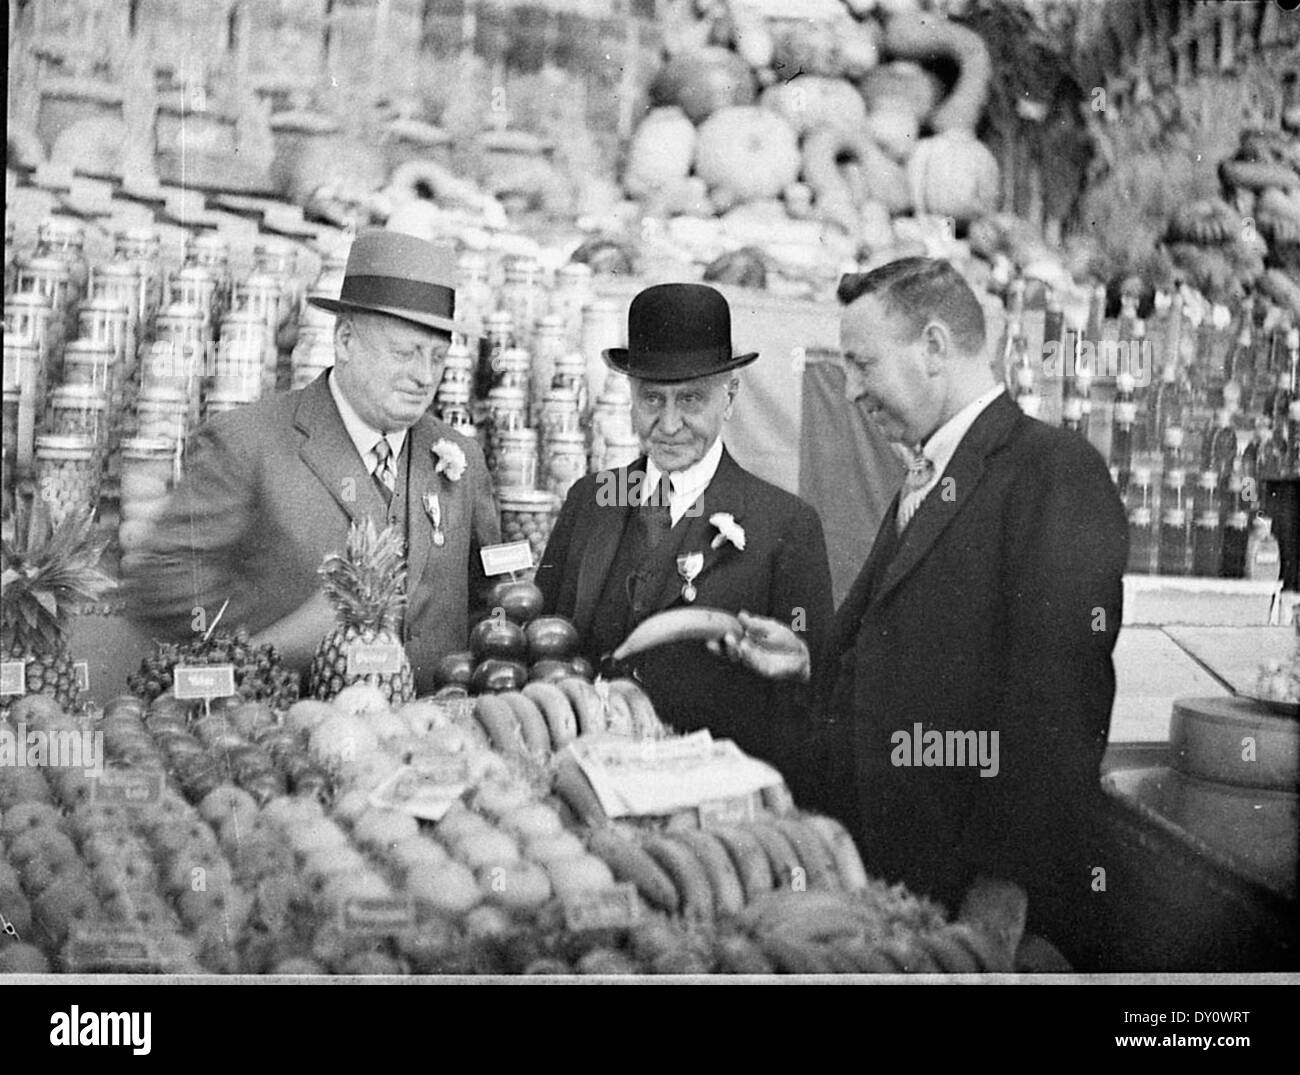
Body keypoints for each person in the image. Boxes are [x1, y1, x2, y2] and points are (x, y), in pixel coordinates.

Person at [719, 258, 1128, 967]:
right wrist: (810, 660)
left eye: (861, 364)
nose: (849, 391)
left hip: (968, 900)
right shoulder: (929, 471)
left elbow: (1058, 705)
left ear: (935, 347)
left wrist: (998, 903)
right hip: (891, 888)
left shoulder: (1054, 472)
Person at [124, 229, 500, 694]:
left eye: (437, 357)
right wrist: (271, 645)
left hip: (430, 739)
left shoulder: (460, 457)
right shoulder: (246, 441)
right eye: (404, 353)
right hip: (288, 729)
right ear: (345, 340)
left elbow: (493, 598)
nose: (424, 376)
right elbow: (164, 579)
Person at [535, 283, 834, 781]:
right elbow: (542, 639)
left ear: (730, 396)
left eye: (690, 399)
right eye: (652, 398)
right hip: (585, 784)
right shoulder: (590, 501)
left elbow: (812, 692)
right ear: (630, 396)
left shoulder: (786, 525)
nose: (669, 423)